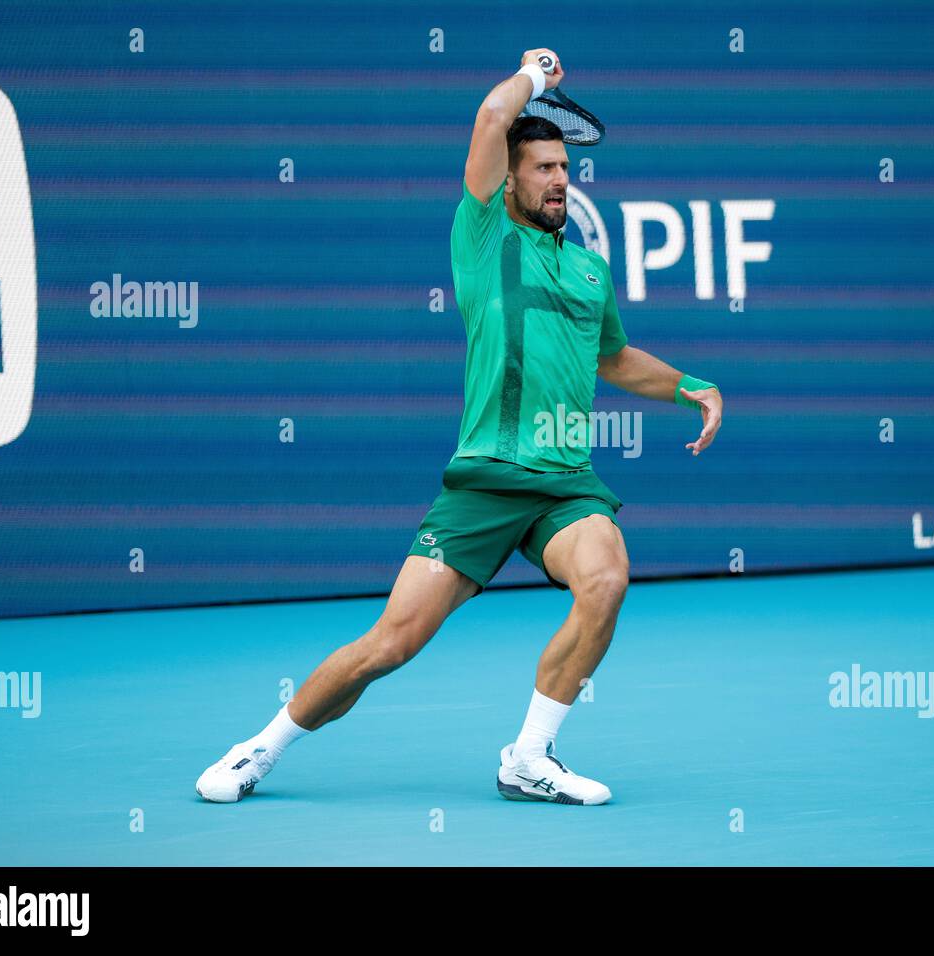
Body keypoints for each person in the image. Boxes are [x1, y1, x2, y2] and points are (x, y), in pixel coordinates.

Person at [195, 48, 722, 806]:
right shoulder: (481, 235)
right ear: (508, 178)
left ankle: (530, 757)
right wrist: (535, 76)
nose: (558, 181)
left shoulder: (588, 272)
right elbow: (489, 116)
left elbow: (613, 358)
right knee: (392, 644)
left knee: (606, 577)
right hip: (483, 480)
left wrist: (690, 387)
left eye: (564, 169)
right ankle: (260, 749)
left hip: (565, 484)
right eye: (541, 168)